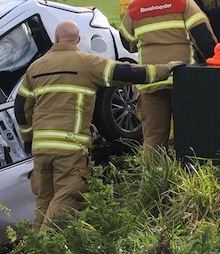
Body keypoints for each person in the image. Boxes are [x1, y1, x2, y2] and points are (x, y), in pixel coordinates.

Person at [16, 20, 181, 231]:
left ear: (56, 39)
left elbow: (21, 109)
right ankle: (48, 250)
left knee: (44, 200)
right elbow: (127, 73)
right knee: (67, 197)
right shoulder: (85, 63)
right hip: (70, 148)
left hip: (41, 150)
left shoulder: (35, 68)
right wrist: (164, 70)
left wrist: (29, 140)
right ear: (77, 40)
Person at [121, 0, 217, 159]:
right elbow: (205, 41)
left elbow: (126, 43)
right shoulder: (184, 2)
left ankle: (154, 183)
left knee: (154, 140)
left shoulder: (134, 9)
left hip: (150, 83)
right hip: (184, 81)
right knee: (190, 136)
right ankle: (188, 180)